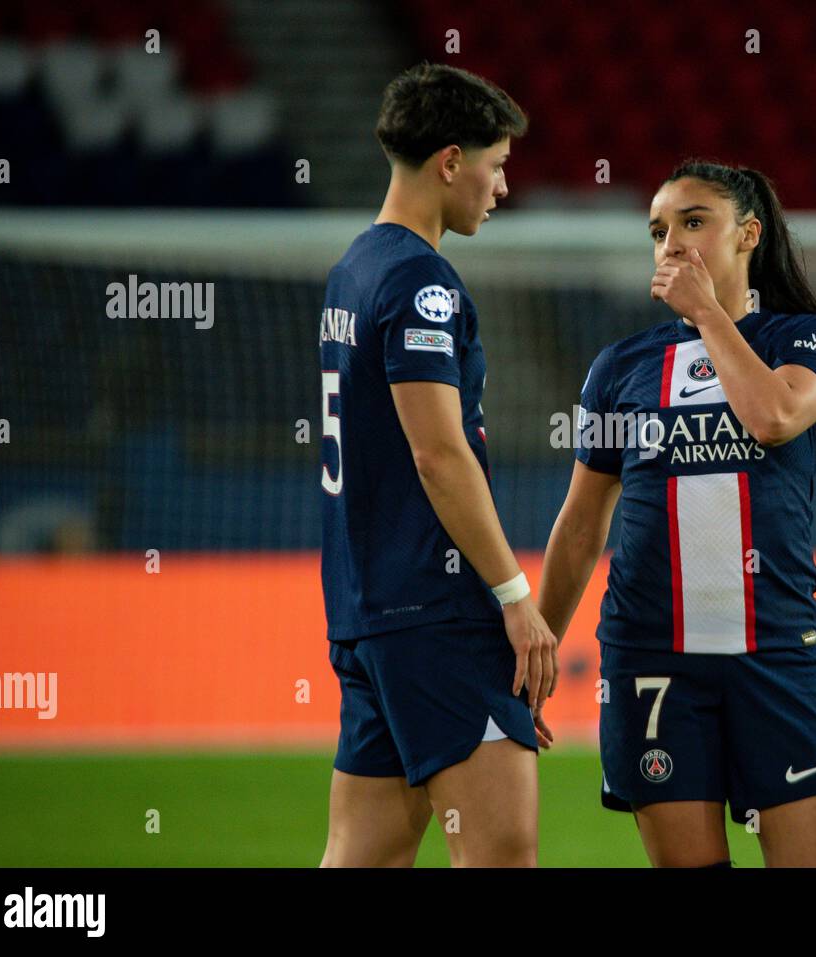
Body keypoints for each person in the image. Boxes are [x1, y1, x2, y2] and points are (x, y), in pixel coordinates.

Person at [538, 160, 816, 866]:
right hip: (651, 661)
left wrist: (706, 314)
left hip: (775, 653)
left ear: (748, 235)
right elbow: (580, 524)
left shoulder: (802, 341)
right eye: (658, 231)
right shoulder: (619, 368)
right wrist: (538, 653)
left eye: (694, 222)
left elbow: (773, 417)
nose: (671, 243)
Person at [318, 63, 557, 868]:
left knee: (365, 853)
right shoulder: (421, 281)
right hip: (437, 611)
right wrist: (515, 598)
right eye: (496, 165)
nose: (502, 187)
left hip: (366, 611)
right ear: (451, 162)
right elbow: (439, 453)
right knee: (499, 853)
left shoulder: (353, 269)